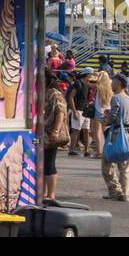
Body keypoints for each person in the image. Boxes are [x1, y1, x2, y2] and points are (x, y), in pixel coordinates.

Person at [100, 74, 129, 202]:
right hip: (128, 134)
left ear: (119, 84)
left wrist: (104, 121)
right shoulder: (128, 99)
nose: (110, 84)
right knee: (125, 167)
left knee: (107, 164)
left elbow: (113, 117)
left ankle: (115, 190)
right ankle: (125, 193)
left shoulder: (115, 98)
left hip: (116, 134)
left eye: (113, 82)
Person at [42, 68, 66, 201]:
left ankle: (51, 194)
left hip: (51, 132)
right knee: (44, 163)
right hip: (44, 133)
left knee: (49, 163)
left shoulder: (54, 93)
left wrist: (56, 131)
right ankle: (45, 192)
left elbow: (60, 112)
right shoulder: (44, 92)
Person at [67, 68, 92, 157]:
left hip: (85, 110)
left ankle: (86, 151)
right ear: (87, 74)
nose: (92, 76)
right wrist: (74, 112)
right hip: (77, 109)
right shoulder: (78, 83)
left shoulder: (87, 84)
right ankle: (71, 150)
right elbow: (71, 97)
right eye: (91, 74)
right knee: (76, 131)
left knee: (86, 131)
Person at [90, 71, 112, 156]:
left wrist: (95, 75)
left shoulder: (98, 86)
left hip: (99, 111)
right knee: (107, 132)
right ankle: (108, 150)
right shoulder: (110, 85)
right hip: (108, 111)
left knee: (98, 132)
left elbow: (87, 82)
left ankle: (99, 152)